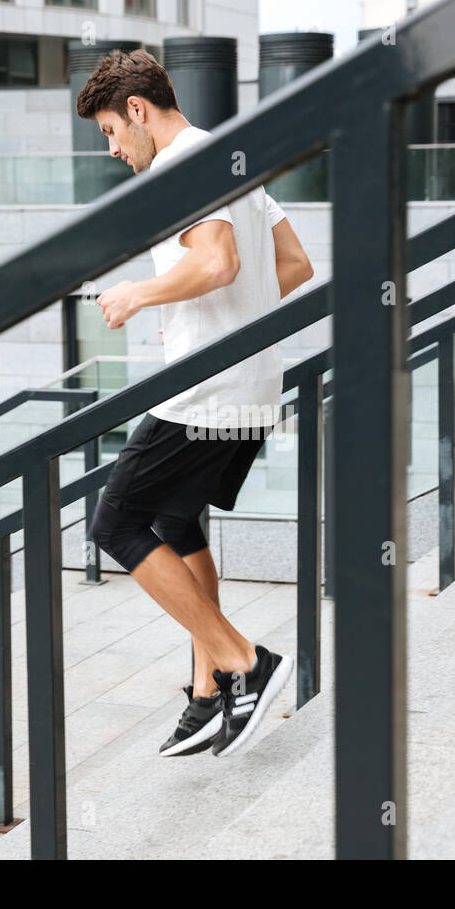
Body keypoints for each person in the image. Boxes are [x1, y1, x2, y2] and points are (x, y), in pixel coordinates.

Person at [76, 48, 315, 758]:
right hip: (249, 389)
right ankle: (210, 690)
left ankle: (243, 661)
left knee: (115, 524)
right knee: (176, 521)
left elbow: (218, 262)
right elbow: (295, 265)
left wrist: (138, 293)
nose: (115, 149)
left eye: (112, 132)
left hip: (205, 394)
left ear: (139, 111)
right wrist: (224, 316)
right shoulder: (229, 158)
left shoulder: (181, 166)